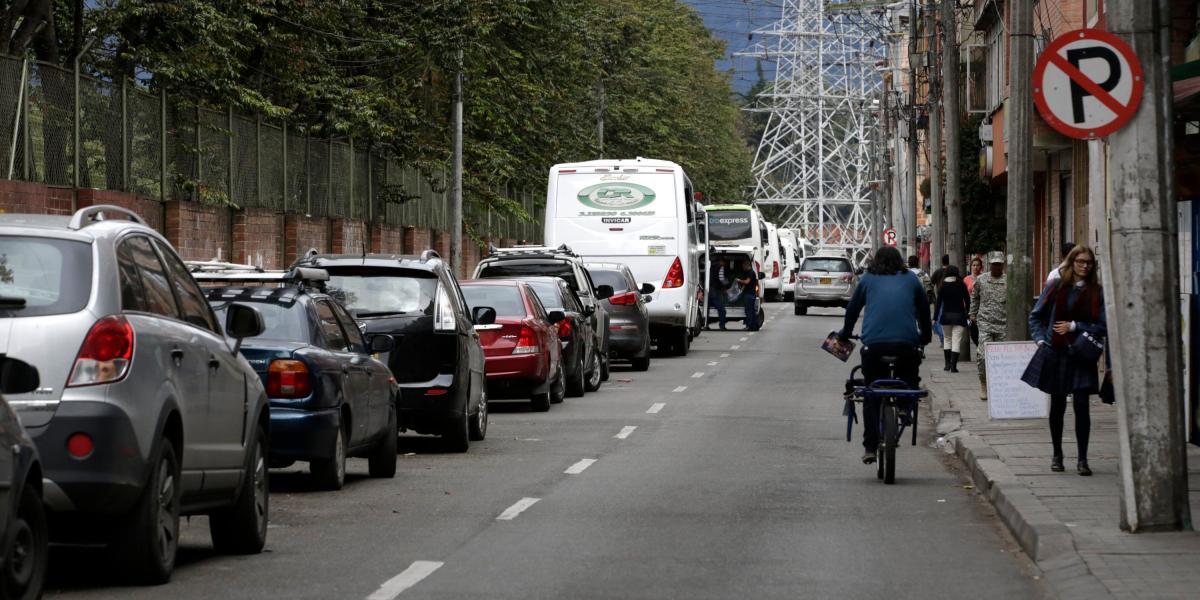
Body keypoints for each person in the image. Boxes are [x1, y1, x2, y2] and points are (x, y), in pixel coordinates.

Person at [839, 246, 932, 464]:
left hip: (874, 347)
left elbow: (852, 310)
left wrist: (845, 333)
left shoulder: (868, 279)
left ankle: (870, 447)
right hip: (906, 346)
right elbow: (924, 311)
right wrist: (925, 337)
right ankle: (902, 406)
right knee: (908, 378)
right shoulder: (911, 280)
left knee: (872, 392)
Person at [1029, 245, 1106, 476]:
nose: (1084, 266)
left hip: (1082, 356)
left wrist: (1075, 326)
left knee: (1082, 406)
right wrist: (1042, 341)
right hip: (1057, 353)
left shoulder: (1097, 291)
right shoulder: (1056, 286)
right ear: (1071, 262)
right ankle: (1057, 455)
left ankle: (1082, 459)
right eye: (1080, 262)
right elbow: (1036, 317)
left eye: (1089, 263)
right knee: (1058, 406)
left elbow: (1104, 325)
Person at [969, 251, 1007, 401]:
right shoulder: (981, 280)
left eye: (999, 264)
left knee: (1001, 358)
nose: (996, 267)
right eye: (994, 264)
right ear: (989, 265)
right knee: (983, 356)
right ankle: (984, 383)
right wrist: (972, 315)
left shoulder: (1008, 280)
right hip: (985, 323)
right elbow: (974, 298)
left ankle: (998, 385)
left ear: (1002, 265)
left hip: (1003, 324)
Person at [935, 266, 970, 372]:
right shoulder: (961, 284)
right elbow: (967, 300)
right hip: (959, 316)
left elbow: (938, 303)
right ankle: (954, 366)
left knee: (947, 339)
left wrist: (935, 317)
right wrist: (967, 313)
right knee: (956, 341)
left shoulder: (942, 285)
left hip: (946, 316)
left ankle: (947, 365)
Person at [735, 260, 760, 331]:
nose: (743, 267)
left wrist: (739, 280)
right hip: (749, 294)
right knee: (751, 311)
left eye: (743, 266)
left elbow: (747, 282)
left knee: (749, 311)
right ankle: (753, 326)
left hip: (749, 295)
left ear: (747, 265)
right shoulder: (748, 273)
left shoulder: (751, 273)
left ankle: (750, 326)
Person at [708, 257, 731, 330]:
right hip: (715, 290)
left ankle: (705, 325)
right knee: (722, 310)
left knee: (707, 309)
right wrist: (727, 285)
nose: (725, 265)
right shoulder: (720, 267)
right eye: (725, 263)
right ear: (722, 261)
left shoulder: (710, 267)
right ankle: (722, 326)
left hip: (709, 290)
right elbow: (721, 278)